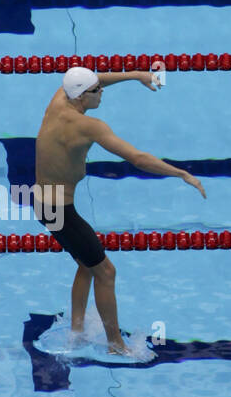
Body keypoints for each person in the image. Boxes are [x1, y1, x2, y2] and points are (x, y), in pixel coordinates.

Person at [34, 66, 206, 354]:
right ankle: (116, 344)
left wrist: (137, 74)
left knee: (86, 264)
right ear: (81, 98)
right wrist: (180, 174)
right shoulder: (90, 126)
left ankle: (77, 330)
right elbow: (137, 158)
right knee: (106, 271)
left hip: (43, 203)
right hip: (60, 211)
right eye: (97, 91)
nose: (102, 92)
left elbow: (95, 80)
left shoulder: (59, 99)